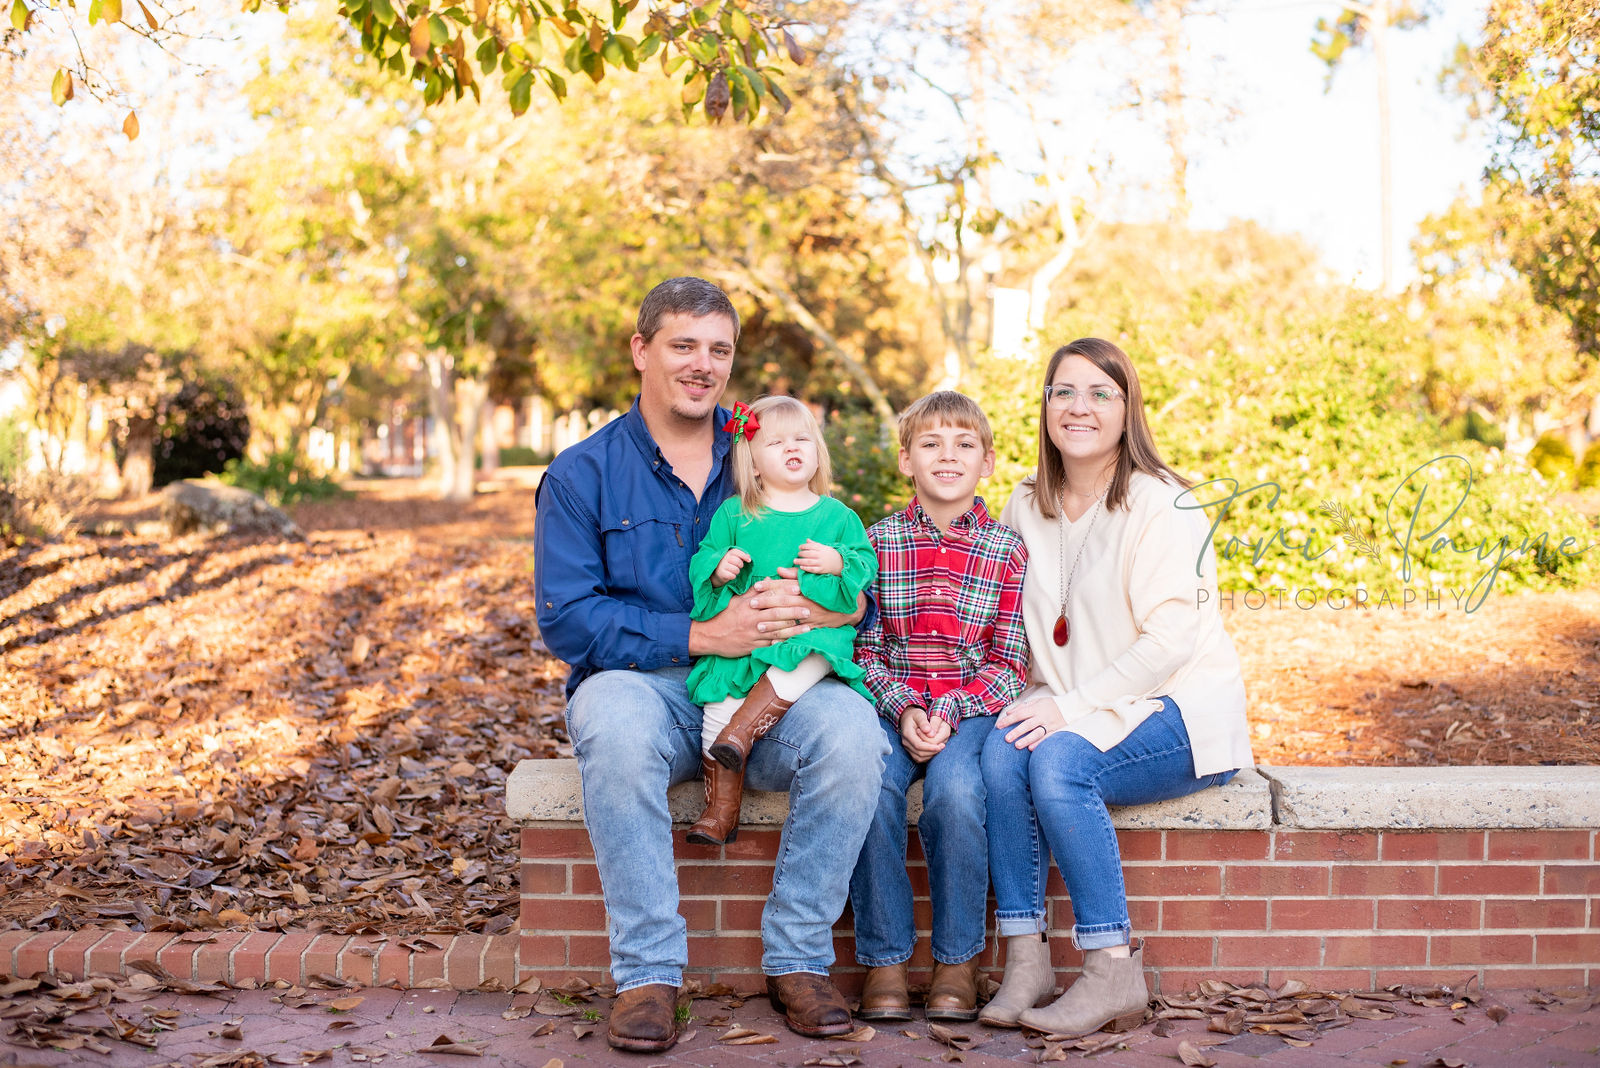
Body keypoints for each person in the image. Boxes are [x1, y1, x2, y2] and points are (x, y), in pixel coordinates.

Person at [533, 278, 888, 1053]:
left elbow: (844, 572)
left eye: (718, 349)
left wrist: (833, 610)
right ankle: (649, 974)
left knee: (857, 735)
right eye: (683, 345)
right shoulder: (583, 474)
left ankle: (796, 957)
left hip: (772, 682)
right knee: (612, 720)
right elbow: (566, 620)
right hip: (648, 684)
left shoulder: (765, 450)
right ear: (642, 351)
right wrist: (704, 635)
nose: (703, 364)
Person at [979, 337, 1252, 1035]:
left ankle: (1110, 970)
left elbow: (1170, 645)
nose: (1080, 407)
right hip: (1086, 704)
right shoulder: (1024, 506)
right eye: (1064, 392)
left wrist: (1066, 707)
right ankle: (1027, 960)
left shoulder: (1165, 504)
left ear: (1127, 412)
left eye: (1101, 393)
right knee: (1002, 752)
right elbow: (1000, 625)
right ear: (1043, 407)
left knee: (1060, 762)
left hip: (1179, 710)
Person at [848, 392, 1030, 1023]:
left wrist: (949, 711)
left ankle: (957, 959)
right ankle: (885, 960)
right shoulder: (873, 543)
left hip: (970, 715)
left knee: (955, 794)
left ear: (988, 462)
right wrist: (901, 709)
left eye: (964, 444)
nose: (947, 456)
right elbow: (863, 647)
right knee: (868, 789)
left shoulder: (1007, 549)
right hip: (891, 710)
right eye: (930, 444)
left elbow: (1010, 661)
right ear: (906, 460)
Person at [684, 394, 878, 845]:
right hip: (749, 644)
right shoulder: (736, 514)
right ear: (752, 463)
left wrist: (836, 562)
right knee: (717, 708)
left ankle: (743, 730)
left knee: (814, 655)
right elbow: (705, 558)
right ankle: (720, 810)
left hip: (809, 636)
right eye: (776, 443)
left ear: (817, 452)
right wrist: (719, 566)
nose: (793, 448)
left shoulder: (836, 516)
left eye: (802, 439)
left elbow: (862, 564)